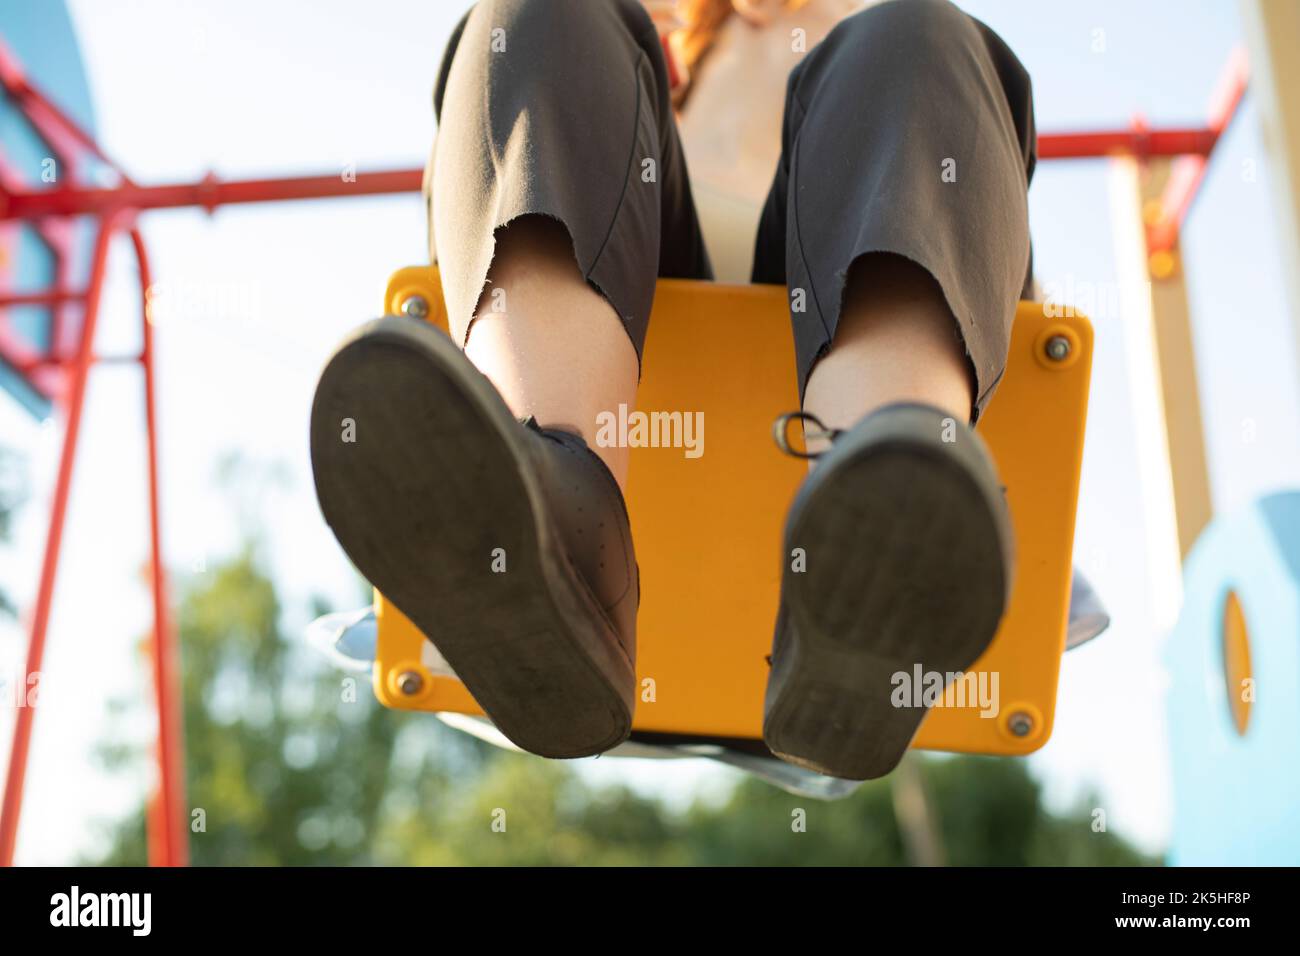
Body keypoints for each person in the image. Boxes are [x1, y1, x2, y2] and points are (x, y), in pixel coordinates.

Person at [310, 0, 1037, 781]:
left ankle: (883, 533)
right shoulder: (627, 81)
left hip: (851, 490)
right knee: (541, 18)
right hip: (605, 407)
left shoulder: (889, 58)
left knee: (917, 43)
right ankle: (554, 537)